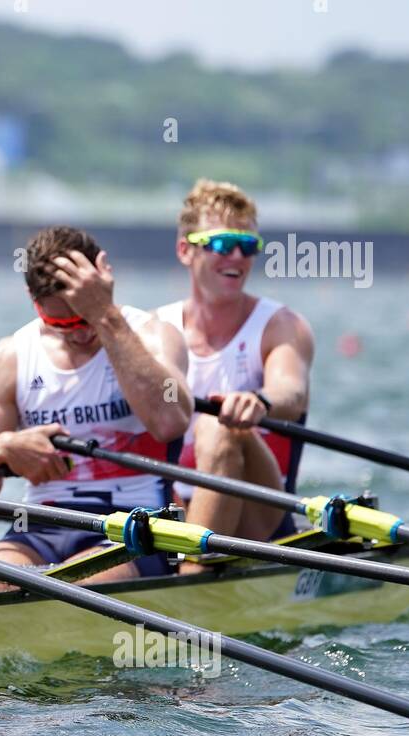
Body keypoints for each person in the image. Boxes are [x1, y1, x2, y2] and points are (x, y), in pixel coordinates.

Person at [0, 226, 192, 590]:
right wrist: (2, 448)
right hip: (41, 525)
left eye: (85, 318)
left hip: (137, 525)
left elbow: (170, 421)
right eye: (62, 324)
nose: (81, 334)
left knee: (71, 589)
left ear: (104, 276)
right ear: (33, 300)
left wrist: (105, 316)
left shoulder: (154, 336)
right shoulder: (12, 356)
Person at [155, 180, 314, 562]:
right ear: (185, 250)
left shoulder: (281, 325)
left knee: (219, 428)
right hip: (171, 506)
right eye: (224, 244)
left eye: (248, 246)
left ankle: (192, 577)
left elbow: (291, 391)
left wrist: (260, 401)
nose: (238, 257)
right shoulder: (155, 329)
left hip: (261, 514)